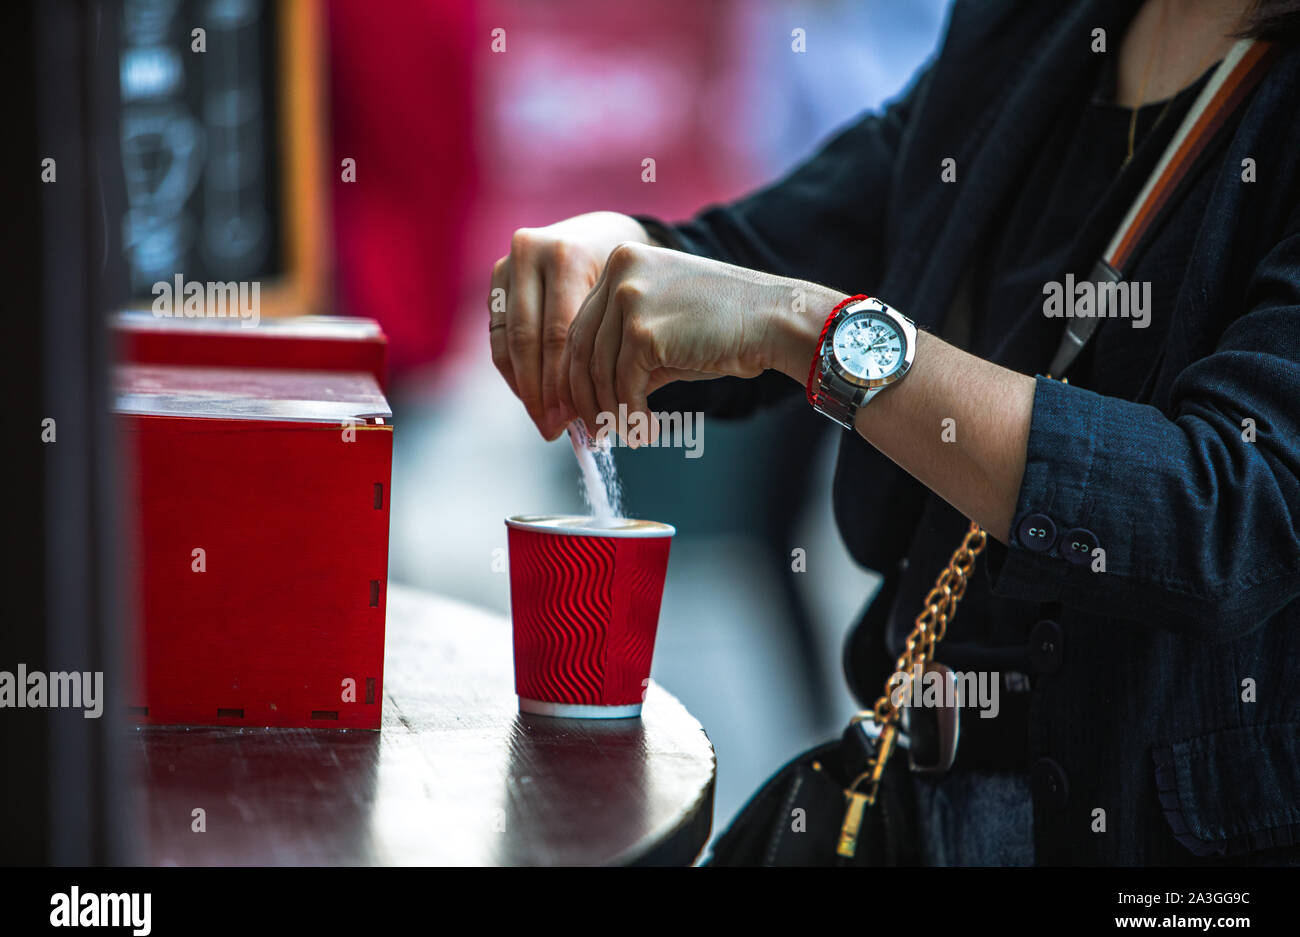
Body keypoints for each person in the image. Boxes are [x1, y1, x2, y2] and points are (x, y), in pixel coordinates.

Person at [487, 0, 1300, 865]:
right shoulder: (1034, 24)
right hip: (912, 793)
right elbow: (801, 239)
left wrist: (802, 330)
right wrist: (616, 253)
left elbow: (1224, 510)